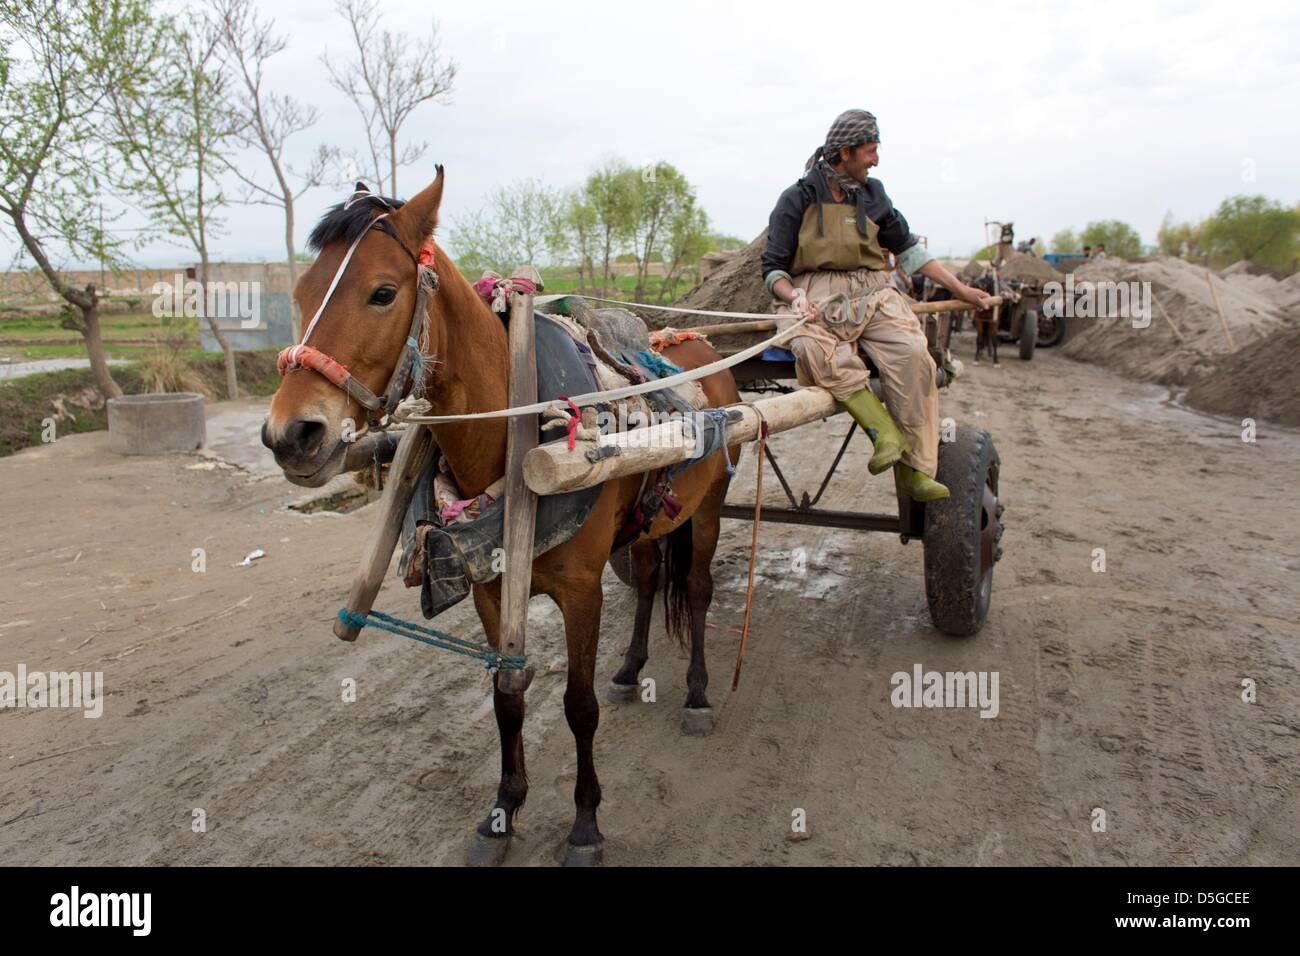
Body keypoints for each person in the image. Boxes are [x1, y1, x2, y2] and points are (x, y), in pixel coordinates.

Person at [761, 108, 993, 501]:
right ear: (846, 152)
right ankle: (883, 433)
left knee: (914, 355)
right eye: (870, 151)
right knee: (811, 347)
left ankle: (916, 472)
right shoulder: (797, 197)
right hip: (817, 295)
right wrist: (794, 297)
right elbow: (773, 270)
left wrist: (962, 290)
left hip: (875, 293)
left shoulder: (875, 194)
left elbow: (909, 254)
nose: (875, 160)